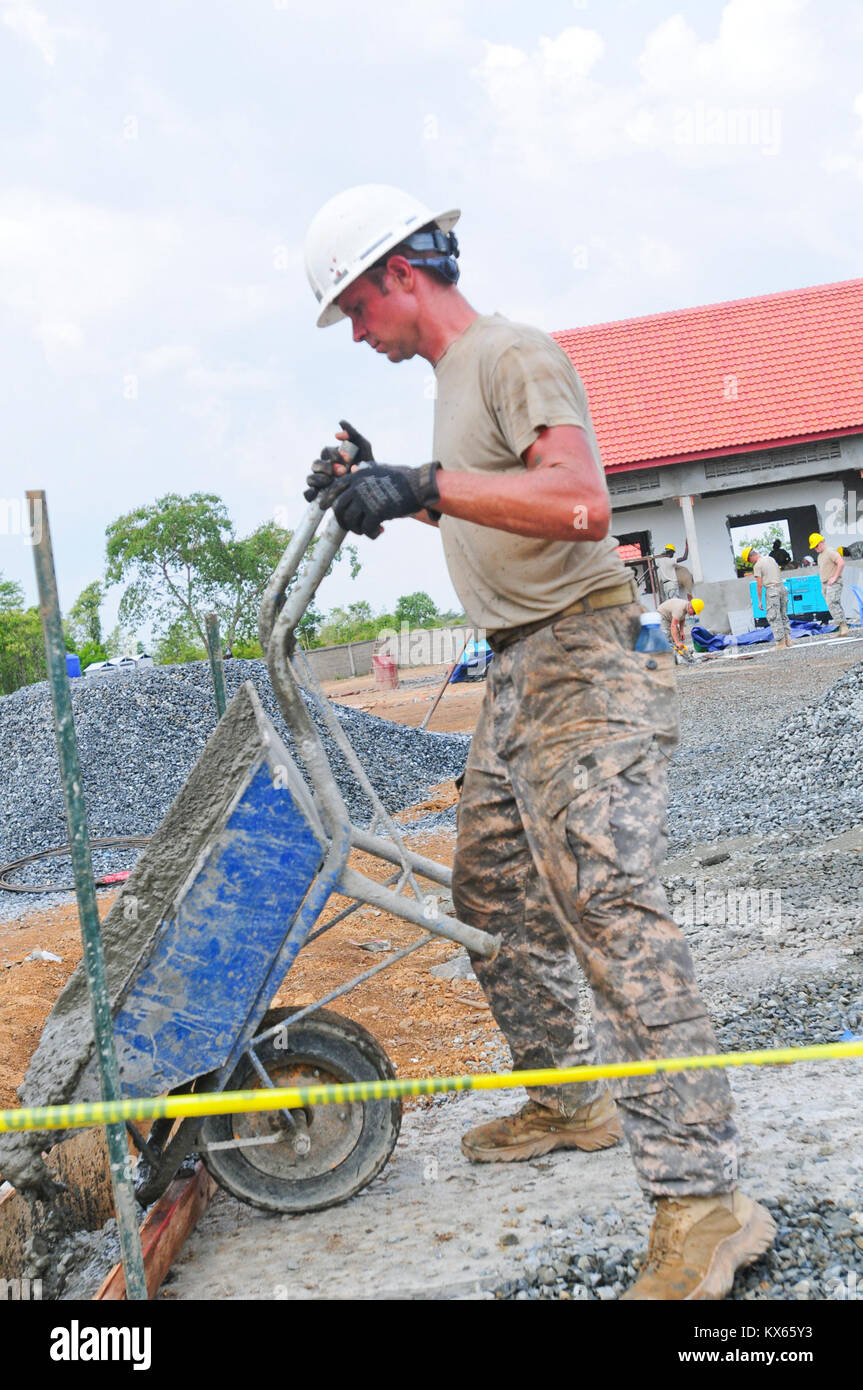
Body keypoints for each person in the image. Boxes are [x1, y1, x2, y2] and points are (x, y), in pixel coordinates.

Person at [303, 184, 775, 1300]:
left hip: (580, 656)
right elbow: (497, 499)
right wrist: (398, 490)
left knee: (606, 906)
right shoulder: (449, 386)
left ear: (397, 276)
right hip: (517, 666)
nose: (356, 334)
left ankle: (704, 1202)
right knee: (492, 895)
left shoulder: (510, 352)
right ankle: (567, 1098)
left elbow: (575, 501)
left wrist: (422, 482)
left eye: (353, 311)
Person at [743, 546, 791, 649]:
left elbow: (759, 584)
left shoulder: (758, 565)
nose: (750, 562)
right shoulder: (771, 559)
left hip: (772, 590)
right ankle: (788, 640)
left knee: (774, 616)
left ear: (750, 557)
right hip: (782, 588)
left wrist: (759, 600)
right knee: (783, 614)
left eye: (749, 560)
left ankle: (780, 643)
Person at [809, 533, 849, 636]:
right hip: (826, 584)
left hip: (833, 583)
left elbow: (841, 562)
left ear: (821, 542)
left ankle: (843, 627)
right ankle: (841, 628)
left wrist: (835, 577)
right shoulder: (820, 556)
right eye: (814, 547)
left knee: (833, 603)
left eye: (816, 546)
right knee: (832, 605)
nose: (815, 548)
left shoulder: (830, 552)